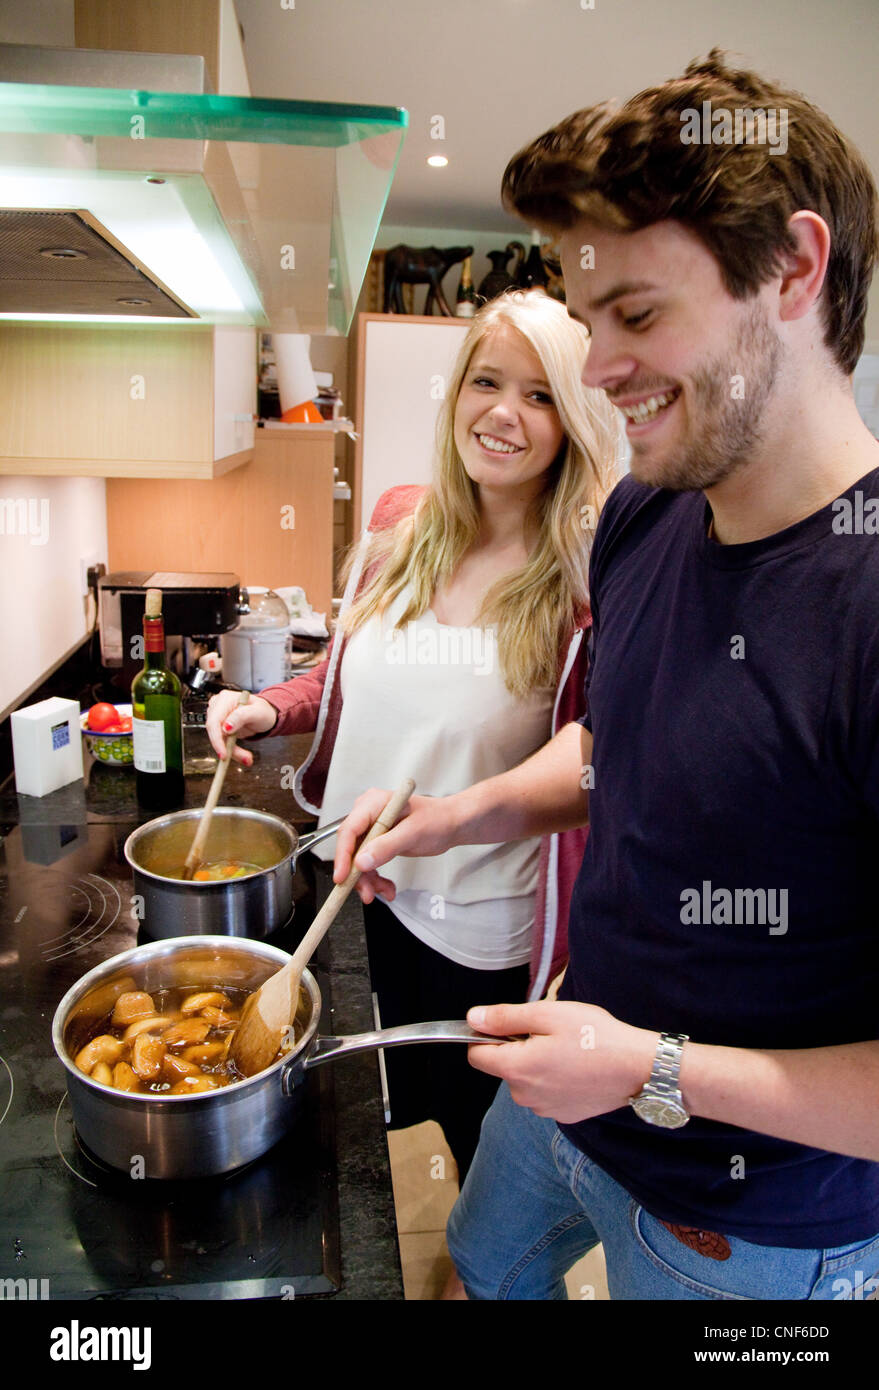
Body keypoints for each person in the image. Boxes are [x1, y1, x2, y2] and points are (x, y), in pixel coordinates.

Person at [329, 49, 879, 1300]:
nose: (599, 368)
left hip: (752, 1224)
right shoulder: (646, 512)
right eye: (591, 324)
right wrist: (457, 811)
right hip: (569, 1085)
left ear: (795, 269)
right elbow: (622, 742)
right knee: (466, 1278)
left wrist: (651, 1069)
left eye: (636, 315)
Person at [205, 288, 621, 1183]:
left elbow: (600, 762)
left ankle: (474, 1270)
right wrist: (271, 706)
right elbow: (348, 675)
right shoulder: (400, 519)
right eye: (486, 382)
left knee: (472, 1141)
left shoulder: (582, 584)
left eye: (541, 394)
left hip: (475, 922)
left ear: (574, 419)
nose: (504, 413)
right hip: (352, 884)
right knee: (367, 1111)